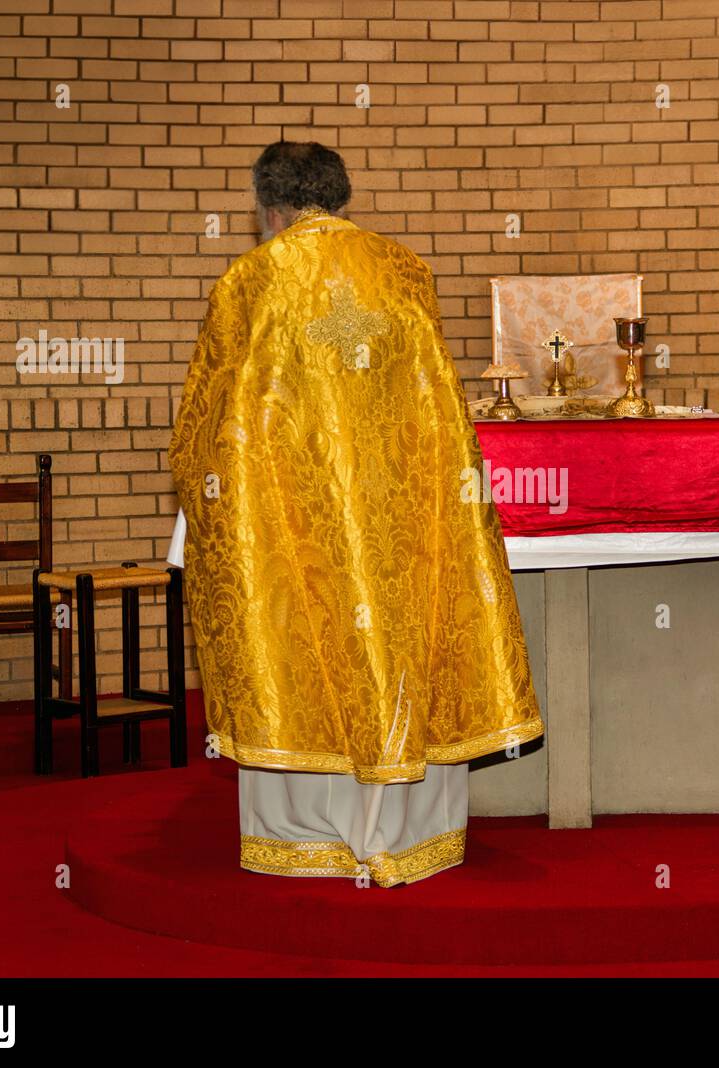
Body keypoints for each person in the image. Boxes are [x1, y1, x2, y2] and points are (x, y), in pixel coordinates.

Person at [168, 141, 543, 887]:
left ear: (267, 209)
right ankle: (408, 836)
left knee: (301, 637)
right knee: (402, 637)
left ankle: (309, 839)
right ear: (340, 197)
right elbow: (441, 416)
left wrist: (210, 500)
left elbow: (207, 425)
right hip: (401, 521)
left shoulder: (249, 280)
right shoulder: (406, 272)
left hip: (290, 526)